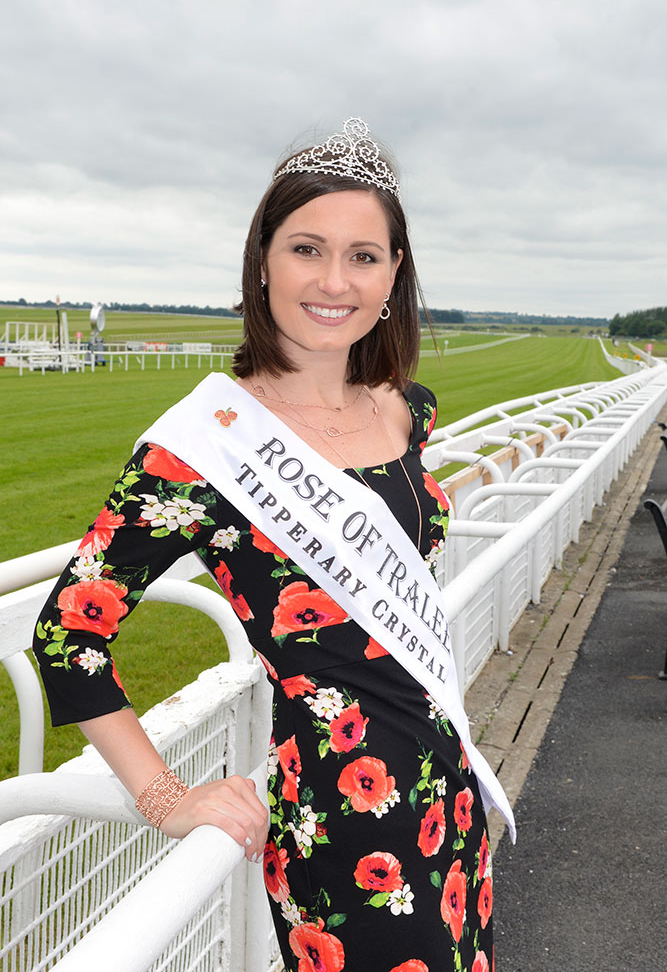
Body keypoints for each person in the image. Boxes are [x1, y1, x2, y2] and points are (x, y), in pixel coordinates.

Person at [33, 118, 512, 972]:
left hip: (447, 789)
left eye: (363, 256)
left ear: (393, 274)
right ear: (262, 261)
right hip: (343, 825)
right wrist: (164, 797)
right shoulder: (202, 450)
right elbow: (68, 635)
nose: (334, 280)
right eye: (306, 249)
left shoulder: (407, 409)